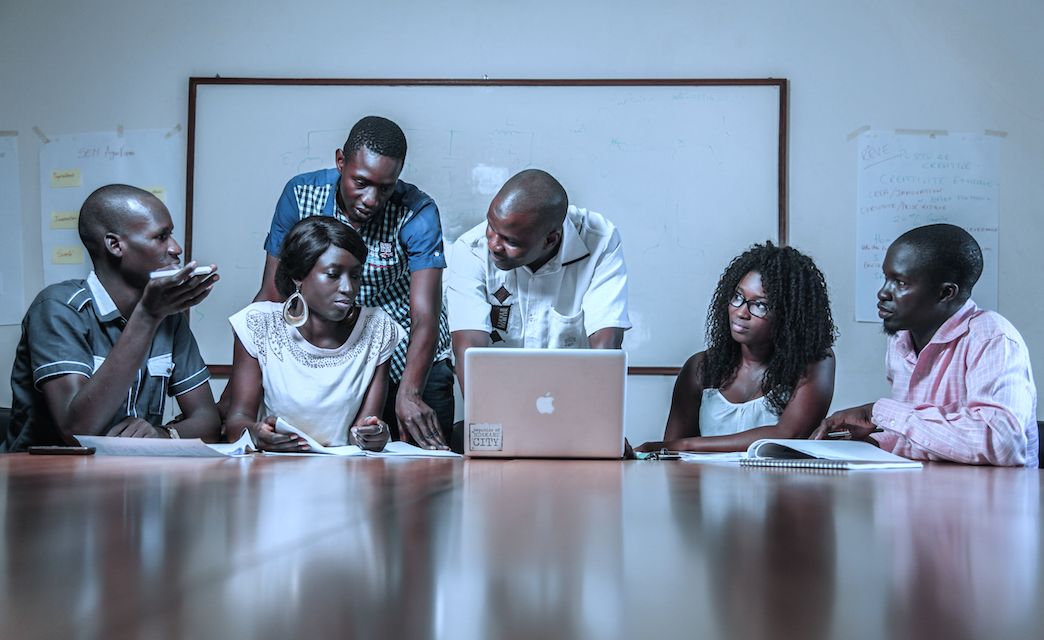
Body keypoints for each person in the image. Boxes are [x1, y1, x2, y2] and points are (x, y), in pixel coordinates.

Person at [254, 115, 452, 450]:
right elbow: (275, 293)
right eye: (361, 183)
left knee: (422, 483)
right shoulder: (301, 195)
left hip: (410, 359)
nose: (372, 200)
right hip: (337, 362)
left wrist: (410, 393)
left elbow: (425, 316)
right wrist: (236, 393)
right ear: (340, 161)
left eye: (385, 188)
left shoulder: (417, 212)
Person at [3, 185, 220, 452]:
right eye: (161, 237)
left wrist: (161, 434)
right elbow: (77, 431)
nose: (175, 248)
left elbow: (209, 423)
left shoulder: (168, 317)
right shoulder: (58, 309)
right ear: (115, 245)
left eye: (171, 235)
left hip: (125, 478)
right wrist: (148, 316)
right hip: (44, 481)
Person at [816, 224, 1039, 467]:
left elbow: (1000, 443)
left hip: (991, 498)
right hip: (930, 488)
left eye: (900, 282)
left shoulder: (991, 337)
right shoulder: (900, 339)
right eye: (886, 278)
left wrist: (876, 412)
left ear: (946, 293)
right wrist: (872, 442)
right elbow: (929, 437)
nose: (883, 293)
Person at [635, 242, 836, 453]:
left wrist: (685, 445)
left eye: (760, 305)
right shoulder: (701, 367)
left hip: (779, 486)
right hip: (704, 484)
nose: (741, 312)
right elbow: (670, 459)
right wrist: (674, 447)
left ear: (789, 316)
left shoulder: (814, 362)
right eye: (738, 297)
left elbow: (788, 434)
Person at [225, 217, 405, 452]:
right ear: (299, 276)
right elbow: (237, 421)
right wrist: (257, 434)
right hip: (273, 471)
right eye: (333, 274)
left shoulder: (377, 328)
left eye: (355, 275)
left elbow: (368, 422)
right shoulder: (258, 324)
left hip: (347, 473)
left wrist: (373, 434)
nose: (348, 288)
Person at [447, 169, 631, 395]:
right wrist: (485, 421)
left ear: (550, 240)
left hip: (574, 398)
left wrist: (600, 422)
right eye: (491, 227)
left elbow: (606, 345)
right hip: (499, 395)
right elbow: (469, 347)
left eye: (510, 240)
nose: (494, 244)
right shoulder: (471, 249)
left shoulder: (600, 240)